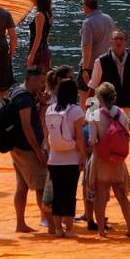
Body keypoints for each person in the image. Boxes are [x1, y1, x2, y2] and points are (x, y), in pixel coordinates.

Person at [88, 81, 130, 238]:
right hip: (118, 160)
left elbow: (92, 139)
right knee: (122, 196)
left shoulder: (95, 114)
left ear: (99, 98)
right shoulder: (121, 113)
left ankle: (101, 231)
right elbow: (126, 135)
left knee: (101, 196)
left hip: (101, 160)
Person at [7, 65, 49, 233]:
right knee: (40, 185)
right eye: (40, 82)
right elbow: (27, 126)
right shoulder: (24, 98)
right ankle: (48, 221)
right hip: (27, 148)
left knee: (22, 187)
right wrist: (38, 151)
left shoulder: (17, 91)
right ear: (31, 80)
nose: (43, 85)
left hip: (17, 146)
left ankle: (20, 224)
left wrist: (41, 103)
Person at [44, 78, 86, 237]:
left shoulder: (51, 109)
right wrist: (82, 155)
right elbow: (79, 137)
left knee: (57, 194)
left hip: (54, 158)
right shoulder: (76, 111)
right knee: (70, 193)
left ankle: (57, 229)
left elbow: (47, 134)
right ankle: (68, 229)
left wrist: (49, 151)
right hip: (71, 158)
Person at [89, 26, 130, 115]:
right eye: (115, 38)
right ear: (110, 41)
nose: (118, 41)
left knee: (123, 128)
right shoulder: (100, 61)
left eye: (121, 39)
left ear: (126, 42)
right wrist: (92, 113)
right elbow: (93, 86)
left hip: (126, 105)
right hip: (105, 107)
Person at [78, 0, 114, 102]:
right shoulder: (109, 19)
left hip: (91, 66)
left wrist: (85, 70)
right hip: (107, 64)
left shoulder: (88, 22)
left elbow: (87, 48)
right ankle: (99, 118)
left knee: (87, 99)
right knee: (103, 99)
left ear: (85, 5)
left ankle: (88, 119)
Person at [26, 0, 53, 71]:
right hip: (45, 49)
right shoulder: (48, 14)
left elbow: (38, 37)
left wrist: (32, 54)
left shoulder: (39, 15)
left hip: (38, 52)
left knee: (35, 80)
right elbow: (46, 35)